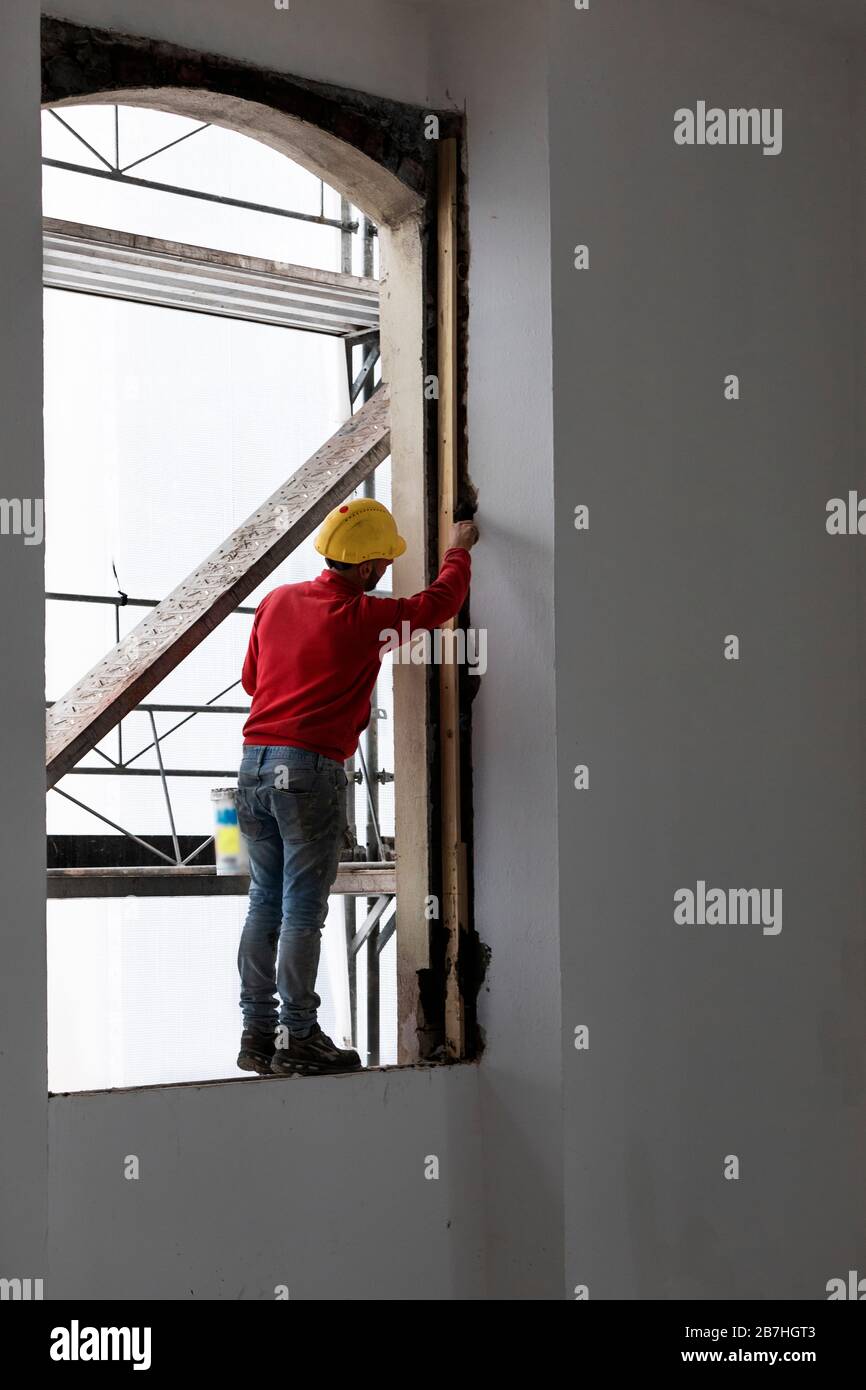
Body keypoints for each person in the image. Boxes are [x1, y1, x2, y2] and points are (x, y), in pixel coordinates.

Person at [235, 497, 479, 1076]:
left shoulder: (274, 602)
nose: (386, 573)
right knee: (301, 909)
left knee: (263, 901)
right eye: (383, 564)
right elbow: (438, 604)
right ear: (366, 567)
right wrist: (458, 551)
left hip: (252, 767)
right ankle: (299, 1037)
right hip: (308, 770)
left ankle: (256, 1035)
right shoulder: (364, 618)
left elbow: (252, 681)